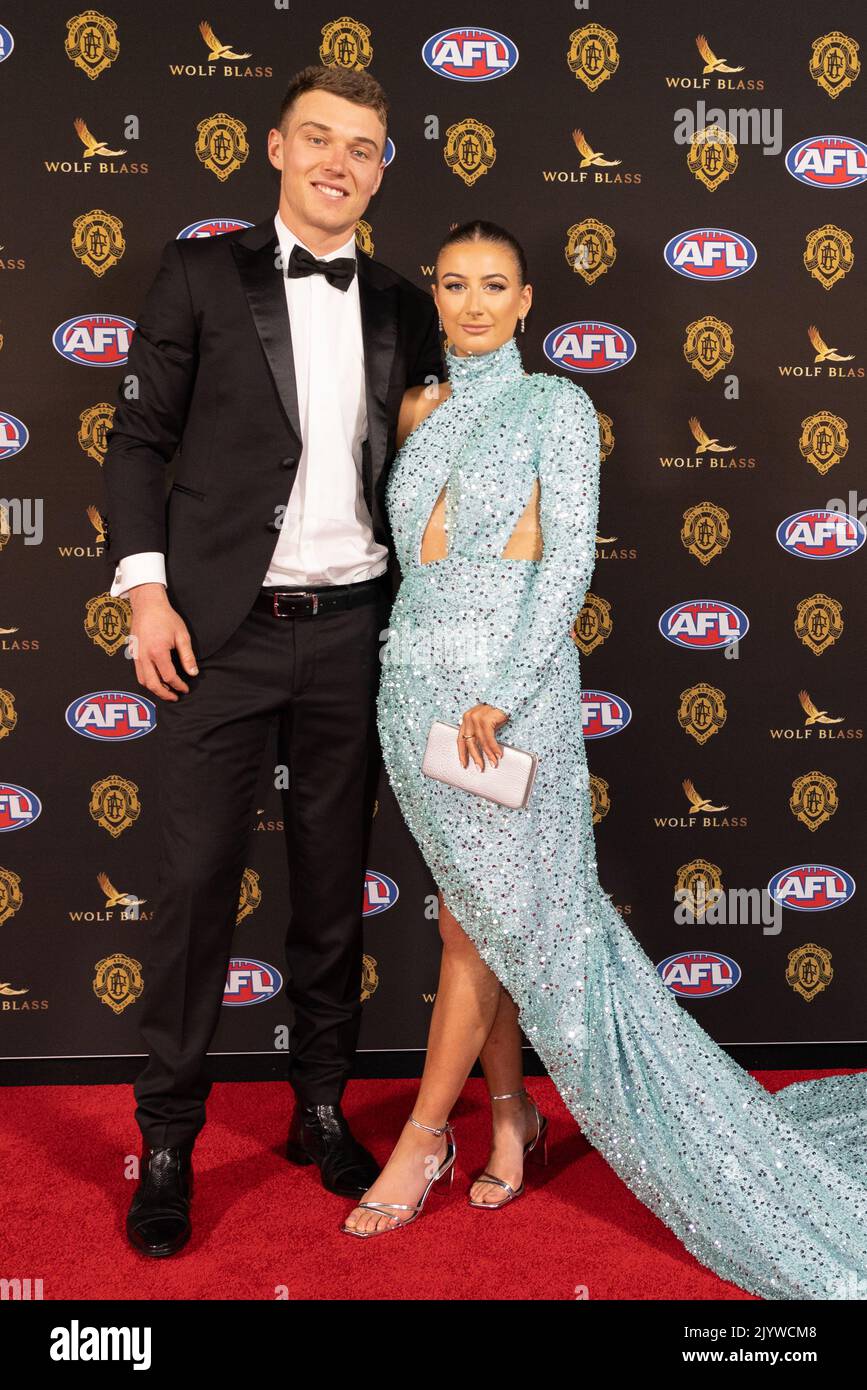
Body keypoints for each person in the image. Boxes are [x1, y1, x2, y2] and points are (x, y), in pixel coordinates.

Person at [339, 218, 867, 1301]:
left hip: (507, 704)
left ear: (528, 300)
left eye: (495, 285)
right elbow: (415, 569)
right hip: (415, 697)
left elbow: (564, 560)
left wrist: (507, 690)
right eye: (454, 285)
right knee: (469, 916)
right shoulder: (416, 410)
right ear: (432, 298)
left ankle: (423, 1138)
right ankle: (512, 1116)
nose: (475, 304)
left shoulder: (557, 407)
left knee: (489, 921)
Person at [102, 64, 446, 1257]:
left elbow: (434, 474)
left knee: (329, 887)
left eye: (362, 146)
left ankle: (319, 1105)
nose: (339, 163)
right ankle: (167, 1139)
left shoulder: (405, 304)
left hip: (353, 630)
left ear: (383, 164)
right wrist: (145, 589)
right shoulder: (202, 271)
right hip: (219, 636)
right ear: (277, 147)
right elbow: (138, 437)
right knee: (196, 888)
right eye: (319, 139)